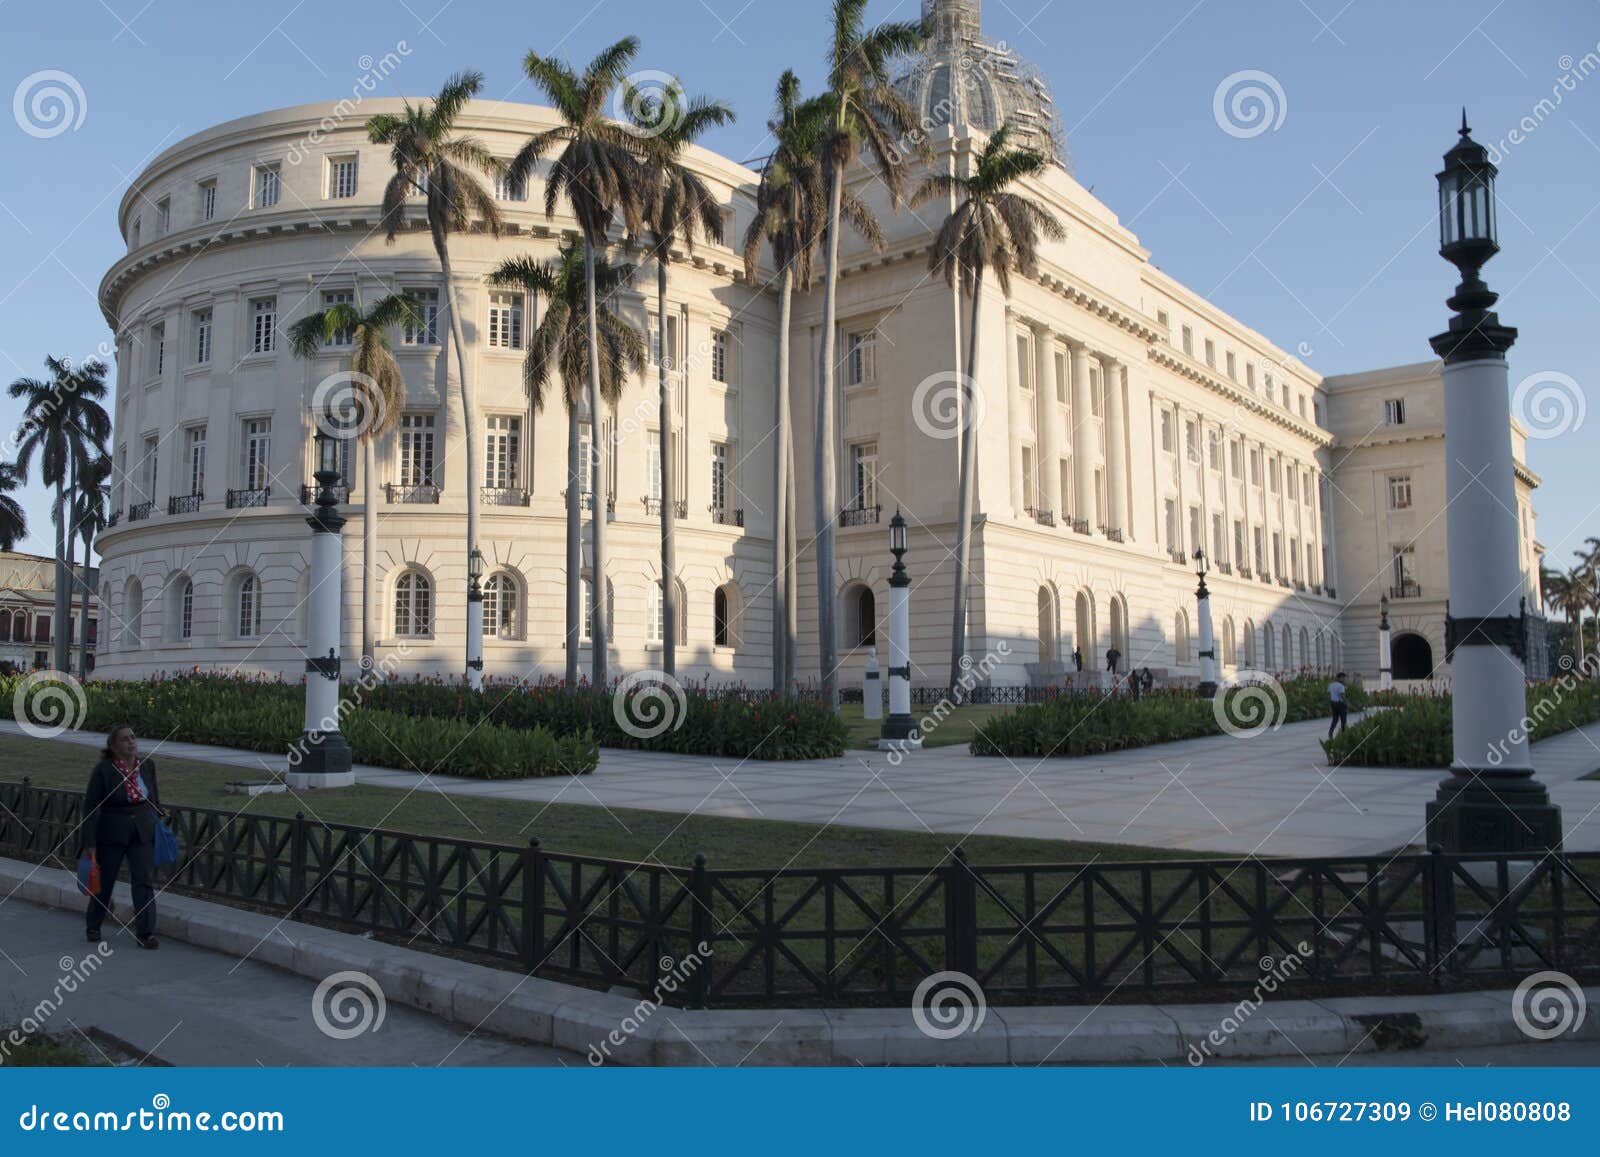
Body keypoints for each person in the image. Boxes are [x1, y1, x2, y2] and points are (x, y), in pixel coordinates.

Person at [80, 724, 163, 948]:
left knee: (143, 880)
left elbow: (154, 799)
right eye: (125, 739)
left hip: (141, 831)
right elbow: (90, 807)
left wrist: (157, 824)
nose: (131, 742)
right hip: (112, 831)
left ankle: (145, 933)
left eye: (133, 737)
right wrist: (89, 842)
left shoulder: (147, 766)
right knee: (105, 880)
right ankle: (94, 925)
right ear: (114, 746)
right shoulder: (104, 770)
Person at [1327, 672, 1348, 739]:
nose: (1344, 679)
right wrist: (1346, 703)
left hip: (1333, 703)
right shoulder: (1341, 686)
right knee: (1343, 720)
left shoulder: (1331, 685)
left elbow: (1329, 695)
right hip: (1340, 704)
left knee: (1335, 719)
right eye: (1343, 678)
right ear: (1339, 678)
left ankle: (1330, 732)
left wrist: (1330, 704)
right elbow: (1342, 695)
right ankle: (1344, 734)